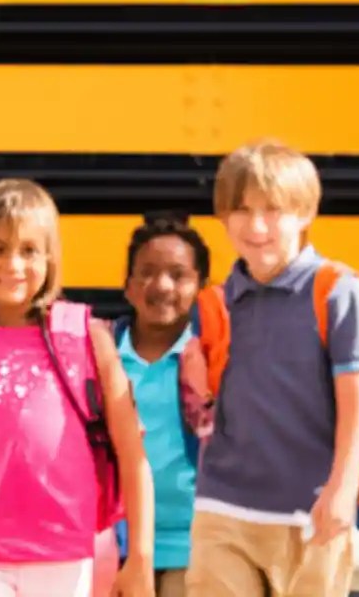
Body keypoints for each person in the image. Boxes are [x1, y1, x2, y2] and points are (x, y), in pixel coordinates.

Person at [0, 178, 155, 597]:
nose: (13, 265)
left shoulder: (87, 336)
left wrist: (141, 560)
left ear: (50, 258)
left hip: (66, 555)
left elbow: (132, 456)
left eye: (29, 250)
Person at [185, 139, 359, 597]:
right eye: (242, 210)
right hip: (222, 509)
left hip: (310, 513)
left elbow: (358, 400)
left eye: (273, 210)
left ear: (306, 214)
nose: (256, 226)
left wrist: (342, 490)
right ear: (223, 217)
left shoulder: (335, 290)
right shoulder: (215, 302)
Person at [112, 212, 212, 597]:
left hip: (195, 542)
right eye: (147, 272)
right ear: (127, 286)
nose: (162, 285)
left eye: (178, 274)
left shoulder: (212, 357)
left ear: (201, 286)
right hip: (117, 541)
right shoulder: (101, 353)